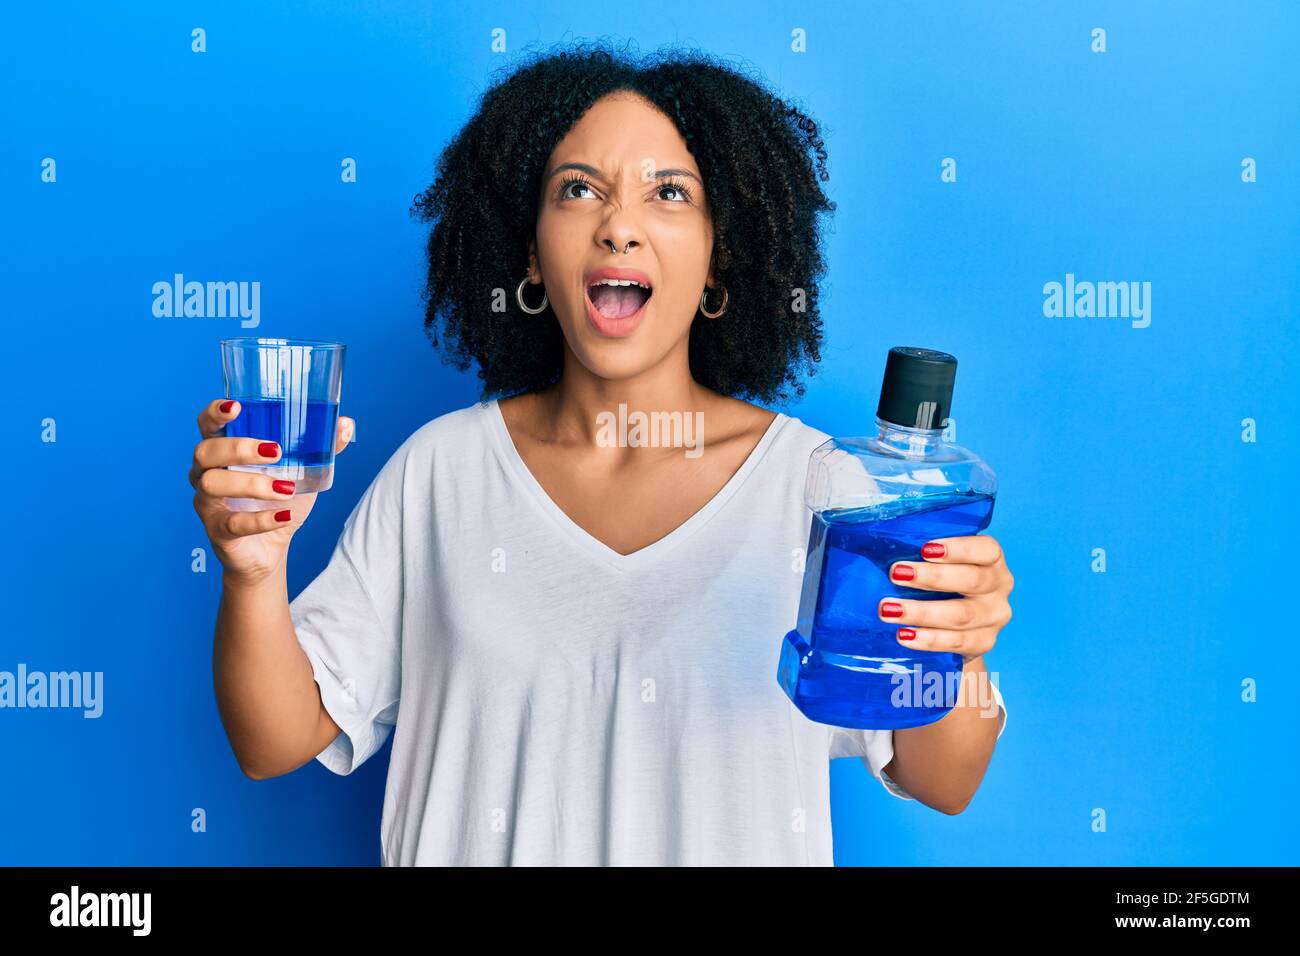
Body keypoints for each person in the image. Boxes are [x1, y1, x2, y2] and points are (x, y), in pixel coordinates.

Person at [192, 43, 1013, 866]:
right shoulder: (437, 473)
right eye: (578, 189)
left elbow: (942, 781)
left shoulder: (825, 489)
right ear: (529, 254)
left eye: (670, 193)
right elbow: (275, 739)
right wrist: (253, 571)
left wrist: (960, 648)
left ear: (720, 254)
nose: (619, 226)